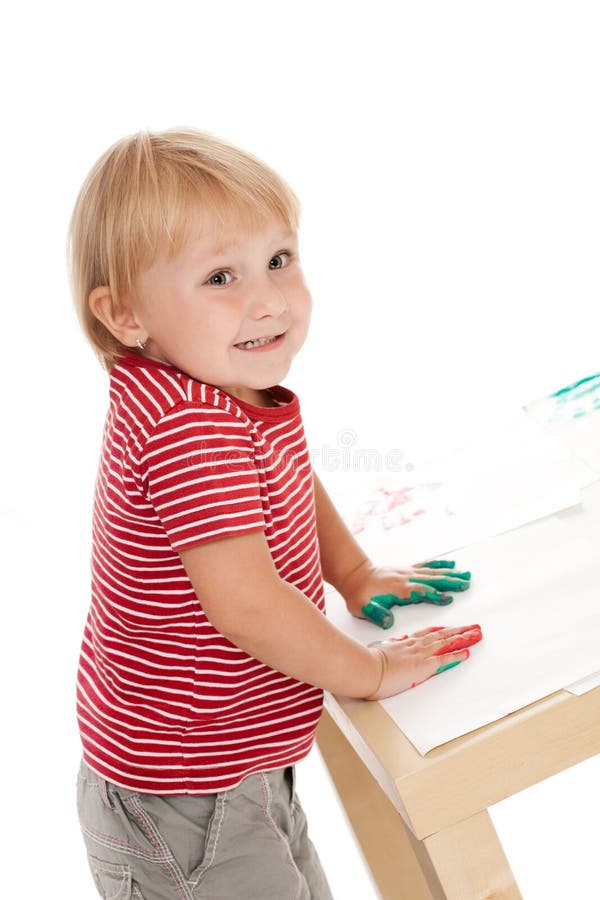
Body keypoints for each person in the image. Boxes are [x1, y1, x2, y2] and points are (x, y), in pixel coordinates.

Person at [69, 127, 482, 900]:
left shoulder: (218, 386)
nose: (267, 297)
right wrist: (370, 670)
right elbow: (247, 605)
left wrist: (353, 570)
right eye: (221, 275)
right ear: (125, 314)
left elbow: (285, 473)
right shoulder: (188, 424)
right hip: (186, 792)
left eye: (279, 259)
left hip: (228, 765)